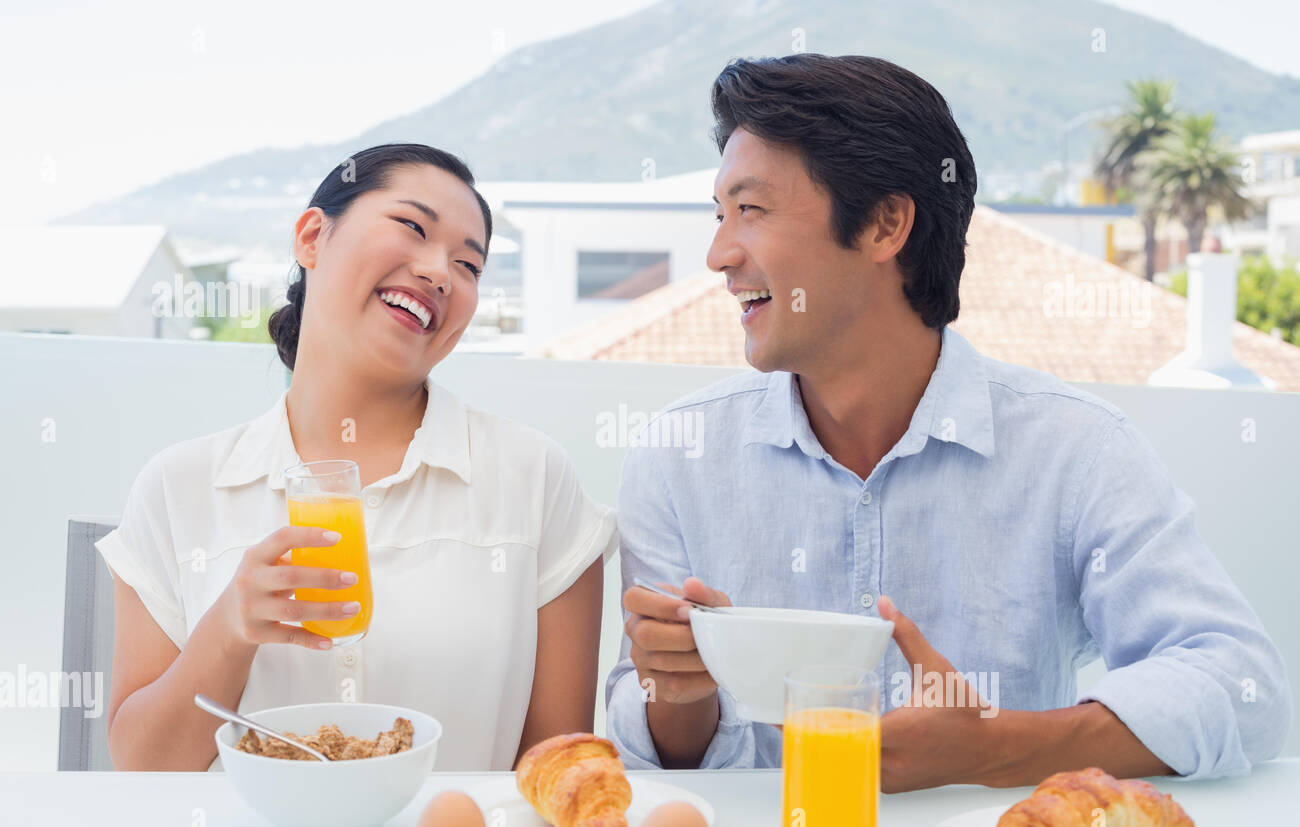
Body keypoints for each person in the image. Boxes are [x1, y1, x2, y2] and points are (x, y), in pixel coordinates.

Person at [605, 55, 1291, 788]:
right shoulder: (677, 459)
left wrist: (1005, 747)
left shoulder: (1074, 451)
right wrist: (678, 692)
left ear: (884, 223)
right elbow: (656, 750)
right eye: (719, 214)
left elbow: (1241, 684)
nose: (718, 255)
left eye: (752, 210)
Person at [97, 144, 617, 772]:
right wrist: (228, 630)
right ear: (313, 237)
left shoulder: (534, 479)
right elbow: (142, 773)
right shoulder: (177, 489)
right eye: (412, 227)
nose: (439, 273)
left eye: (468, 265)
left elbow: (555, 771)